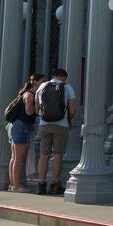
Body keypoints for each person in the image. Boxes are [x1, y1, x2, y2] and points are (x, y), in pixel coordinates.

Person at [34, 67, 77, 195]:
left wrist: (43, 117)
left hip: (44, 124)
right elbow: (72, 109)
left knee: (44, 155)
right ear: (64, 77)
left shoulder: (42, 87)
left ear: (53, 76)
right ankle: (54, 183)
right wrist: (67, 118)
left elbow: (36, 108)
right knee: (58, 155)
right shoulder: (67, 87)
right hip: (61, 125)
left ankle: (41, 184)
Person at [6, 73, 43, 192]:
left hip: (16, 126)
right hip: (22, 126)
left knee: (14, 157)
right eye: (42, 81)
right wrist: (38, 106)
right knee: (19, 158)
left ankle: (13, 184)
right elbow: (28, 111)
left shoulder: (25, 94)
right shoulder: (30, 95)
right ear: (36, 82)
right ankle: (17, 186)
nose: (44, 83)